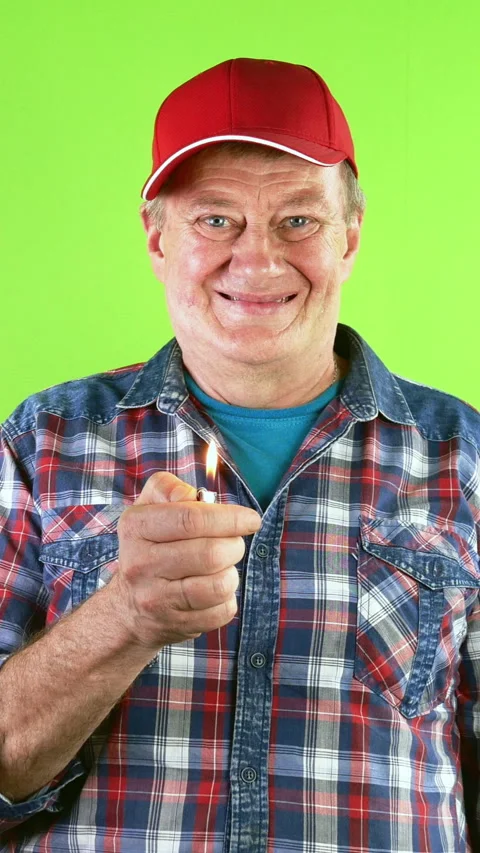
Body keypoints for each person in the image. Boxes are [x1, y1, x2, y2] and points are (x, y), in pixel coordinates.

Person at [0, 56, 479, 853]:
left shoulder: (463, 458)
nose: (257, 261)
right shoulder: (42, 442)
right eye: (217, 220)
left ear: (351, 238)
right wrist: (123, 616)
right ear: (157, 238)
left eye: (299, 220)